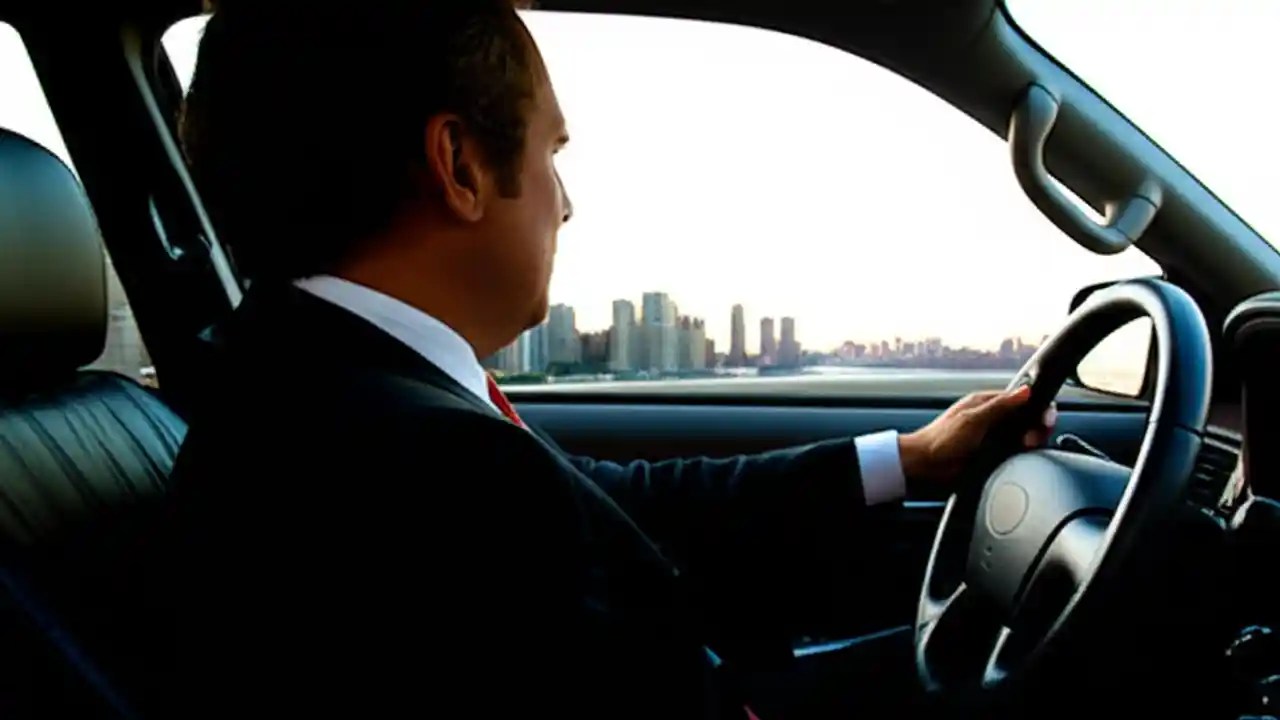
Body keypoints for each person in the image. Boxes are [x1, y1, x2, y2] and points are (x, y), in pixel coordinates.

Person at [171, 2, 1054, 718]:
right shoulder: (422, 463)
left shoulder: (320, 390)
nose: (566, 204)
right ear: (461, 166)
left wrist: (909, 459)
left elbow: (618, 506)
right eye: (551, 151)